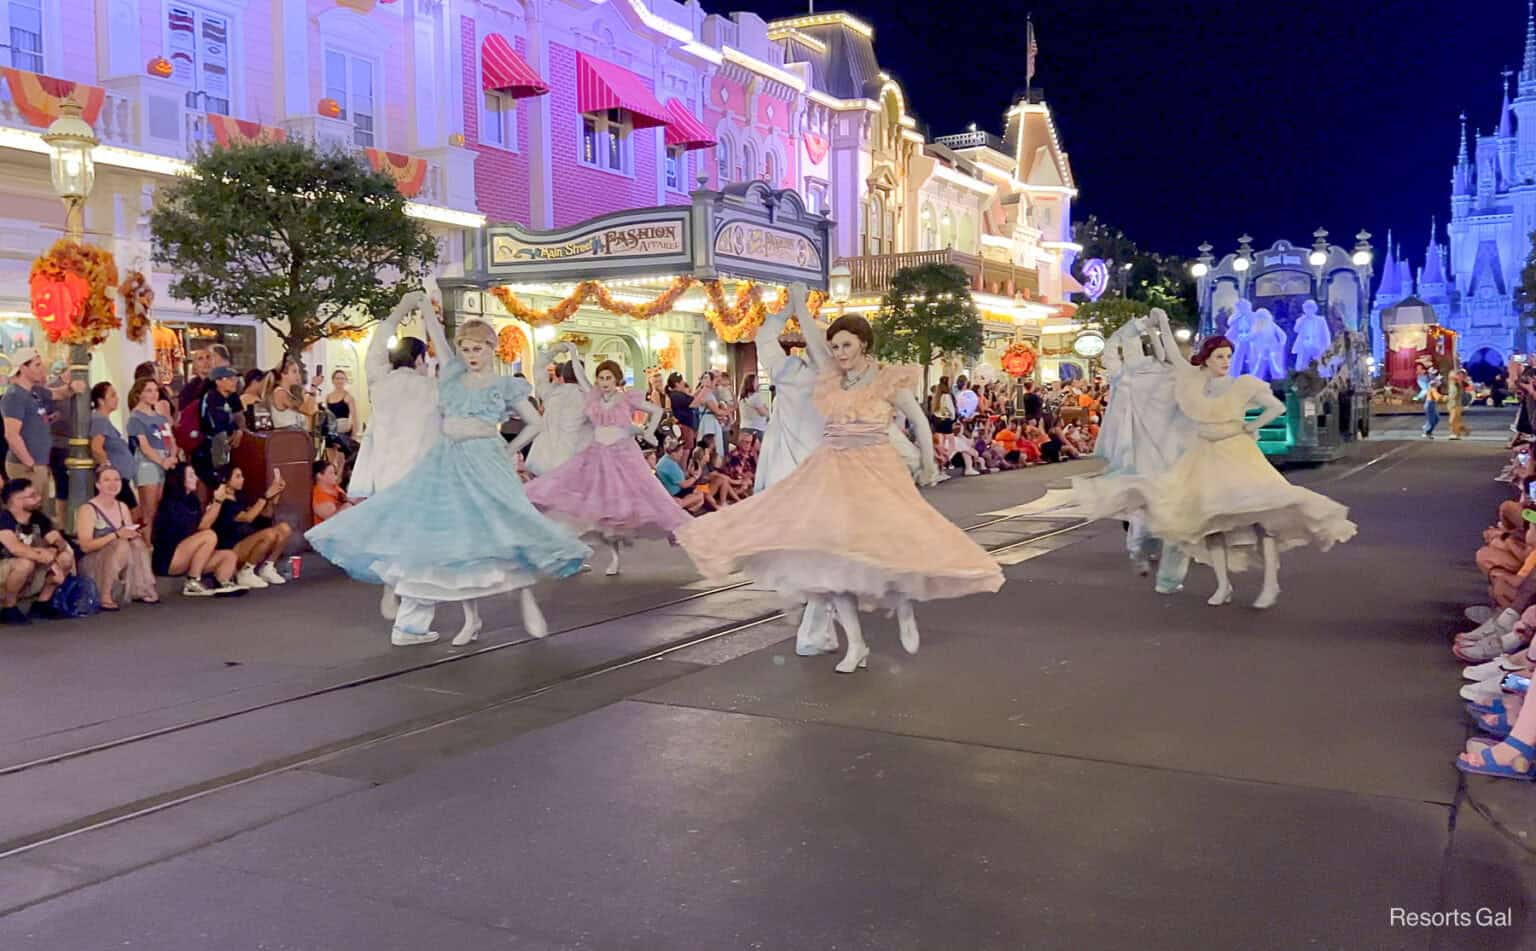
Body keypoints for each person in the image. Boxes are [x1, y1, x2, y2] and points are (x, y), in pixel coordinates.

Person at [675, 287, 1005, 674]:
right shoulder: (831, 379)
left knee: (892, 548)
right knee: (830, 566)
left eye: (846, 345)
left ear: (863, 344)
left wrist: (929, 462)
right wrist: (798, 301)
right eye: (834, 347)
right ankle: (856, 644)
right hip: (831, 470)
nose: (839, 353)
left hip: (876, 472)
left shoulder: (885, 381)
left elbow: (918, 420)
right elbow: (814, 342)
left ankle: (903, 607)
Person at [306, 310, 590, 648]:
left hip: (485, 460)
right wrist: (423, 307)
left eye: (478, 349)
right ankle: (420, 622)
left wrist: (506, 448)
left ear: (492, 349)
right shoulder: (453, 376)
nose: (471, 355)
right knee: (441, 532)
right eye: (467, 349)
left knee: (503, 527)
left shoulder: (503, 385)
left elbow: (535, 423)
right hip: (446, 459)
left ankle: (524, 598)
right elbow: (440, 343)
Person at [1087, 335, 1357, 609]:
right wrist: (1162, 326)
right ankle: (1222, 584)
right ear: (1206, 358)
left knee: (1260, 514)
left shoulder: (1241, 384)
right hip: (1205, 454)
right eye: (1219, 356)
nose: (1226, 362)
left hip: (1238, 454)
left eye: (1229, 356)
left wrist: (1251, 427)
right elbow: (1173, 353)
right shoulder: (1194, 383)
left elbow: (1277, 407)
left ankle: (1270, 584)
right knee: (1210, 518)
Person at [525, 359, 683, 576]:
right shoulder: (594, 396)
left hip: (622, 455)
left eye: (608, 378)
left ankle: (622, 553)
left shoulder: (626, 398)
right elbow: (581, 377)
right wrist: (572, 352)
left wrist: (647, 432)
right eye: (600, 378)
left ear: (616, 379)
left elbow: (655, 411)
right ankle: (603, 555)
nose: (604, 382)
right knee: (598, 507)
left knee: (634, 501)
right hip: (597, 454)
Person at [1074, 310, 1197, 581]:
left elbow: (1110, 348)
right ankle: (1153, 547)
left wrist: (1141, 325)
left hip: (1138, 450)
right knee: (1157, 501)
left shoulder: (1127, 374)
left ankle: (1140, 549)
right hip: (1164, 450)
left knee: (1142, 503)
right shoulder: (1171, 375)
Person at [753, 306, 824, 494]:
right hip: (820, 478)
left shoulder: (794, 374)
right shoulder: (846, 382)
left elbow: (764, 340)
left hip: (783, 474)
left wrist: (790, 307)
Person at [152, 462, 242, 597]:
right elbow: (201, 528)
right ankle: (193, 581)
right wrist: (217, 501)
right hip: (169, 559)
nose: (196, 478)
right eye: (190, 476)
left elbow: (203, 525)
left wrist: (218, 502)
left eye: (195, 475)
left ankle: (224, 582)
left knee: (229, 555)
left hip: (188, 556)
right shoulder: (170, 503)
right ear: (179, 479)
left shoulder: (192, 500)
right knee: (209, 536)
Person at [74, 466, 157, 610]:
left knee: (137, 543)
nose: (113, 484)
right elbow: (85, 546)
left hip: (119, 555)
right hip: (94, 558)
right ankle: (104, 594)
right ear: (98, 484)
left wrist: (133, 534)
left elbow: (128, 532)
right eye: (107, 480)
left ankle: (141, 588)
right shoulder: (87, 509)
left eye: (116, 480)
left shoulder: (122, 506)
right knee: (121, 544)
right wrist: (115, 535)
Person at [0, 477, 73, 623]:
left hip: (31, 565)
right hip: (5, 567)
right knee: (25, 562)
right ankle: (9, 607)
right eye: (32, 496)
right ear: (16, 500)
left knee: (65, 557)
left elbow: (59, 541)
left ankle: (42, 603)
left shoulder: (39, 518)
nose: (39, 498)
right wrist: (48, 559)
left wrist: (53, 549)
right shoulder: (4, 518)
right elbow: (15, 548)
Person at [208, 466, 292, 591]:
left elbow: (265, 515)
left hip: (249, 541)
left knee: (284, 528)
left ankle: (268, 567)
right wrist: (265, 496)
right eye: (237, 476)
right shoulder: (223, 502)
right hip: (232, 549)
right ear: (225, 480)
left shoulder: (240, 496)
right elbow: (248, 517)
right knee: (269, 534)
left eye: (242, 476)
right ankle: (245, 572)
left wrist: (274, 496)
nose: (242, 479)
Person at [525, 343, 594, 477]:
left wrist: (554, 351)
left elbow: (538, 368)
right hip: (572, 461)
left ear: (562, 374)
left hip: (542, 460)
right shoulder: (588, 398)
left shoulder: (551, 392)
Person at [3, 349, 58, 506]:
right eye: (37, 365)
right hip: (26, 466)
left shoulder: (34, 392)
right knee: (31, 510)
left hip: (38, 464)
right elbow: (12, 434)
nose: (42, 369)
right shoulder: (14, 396)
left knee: (43, 509)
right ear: (23, 368)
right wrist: (29, 463)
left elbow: (57, 394)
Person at [126, 378, 175, 545]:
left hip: (164, 460)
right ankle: (147, 546)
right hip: (147, 463)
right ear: (139, 393)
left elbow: (170, 439)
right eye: (149, 390)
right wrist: (162, 461)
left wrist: (172, 455)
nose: (154, 394)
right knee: (149, 509)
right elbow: (144, 446)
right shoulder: (136, 418)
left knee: (159, 506)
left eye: (155, 390)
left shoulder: (159, 417)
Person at [88, 382, 139, 513]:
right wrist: (108, 467)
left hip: (121, 477)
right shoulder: (100, 420)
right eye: (112, 395)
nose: (116, 398)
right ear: (101, 400)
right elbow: (96, 447)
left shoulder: (104, 420)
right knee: (131, 511)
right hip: (116, 478)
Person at [191, 367, 242, 488]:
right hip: (210, 448)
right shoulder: (212, 398)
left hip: (224, 446)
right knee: (219, 482)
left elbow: (238, 417)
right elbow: (216, 427)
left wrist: (238, 430)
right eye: (229, 379)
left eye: (235, 378)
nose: (234, 381)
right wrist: (231, 433)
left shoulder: (231, 397)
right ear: (218, 381)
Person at [655, 438, 711, 514]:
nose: (682, 454)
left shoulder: (666, 460)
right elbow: (685, 484)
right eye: (680, 452)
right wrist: (695, 476)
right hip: (679, 491)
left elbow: (682, 478)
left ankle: (686, 511)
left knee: (706, 490)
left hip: (683, 488)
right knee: (705, 491)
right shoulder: (671, 465)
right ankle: (681, 507)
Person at [665, 373, 696, 456]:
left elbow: (692, 398)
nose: (684, 383)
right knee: (683, 456)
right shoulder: (677, 396)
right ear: (677, 384)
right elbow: (694, 402)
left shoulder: (678, 395)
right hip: (684, 427)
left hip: (685, 427)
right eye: (682, 381)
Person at [738, 373, 769, 440]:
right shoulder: (755, 397)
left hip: (744, 427)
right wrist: (766, 408)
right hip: (756, 428)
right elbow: (764, 413)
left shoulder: (742, 397)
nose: (758, 383)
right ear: (751, 383)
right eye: (757, 381)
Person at [1448, 368, 1471, 441]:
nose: (1459, 376)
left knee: (1453, 420)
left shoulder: (1461, 384)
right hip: (1451, 404)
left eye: (1462, 375)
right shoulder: (1452, 382)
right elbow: (1451, 376)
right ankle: (1464, 430)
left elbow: (1465, 384)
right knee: (1457, 421)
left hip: (1457, 404)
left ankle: (1455, 434)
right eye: (1459, 374)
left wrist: (1460, 379)